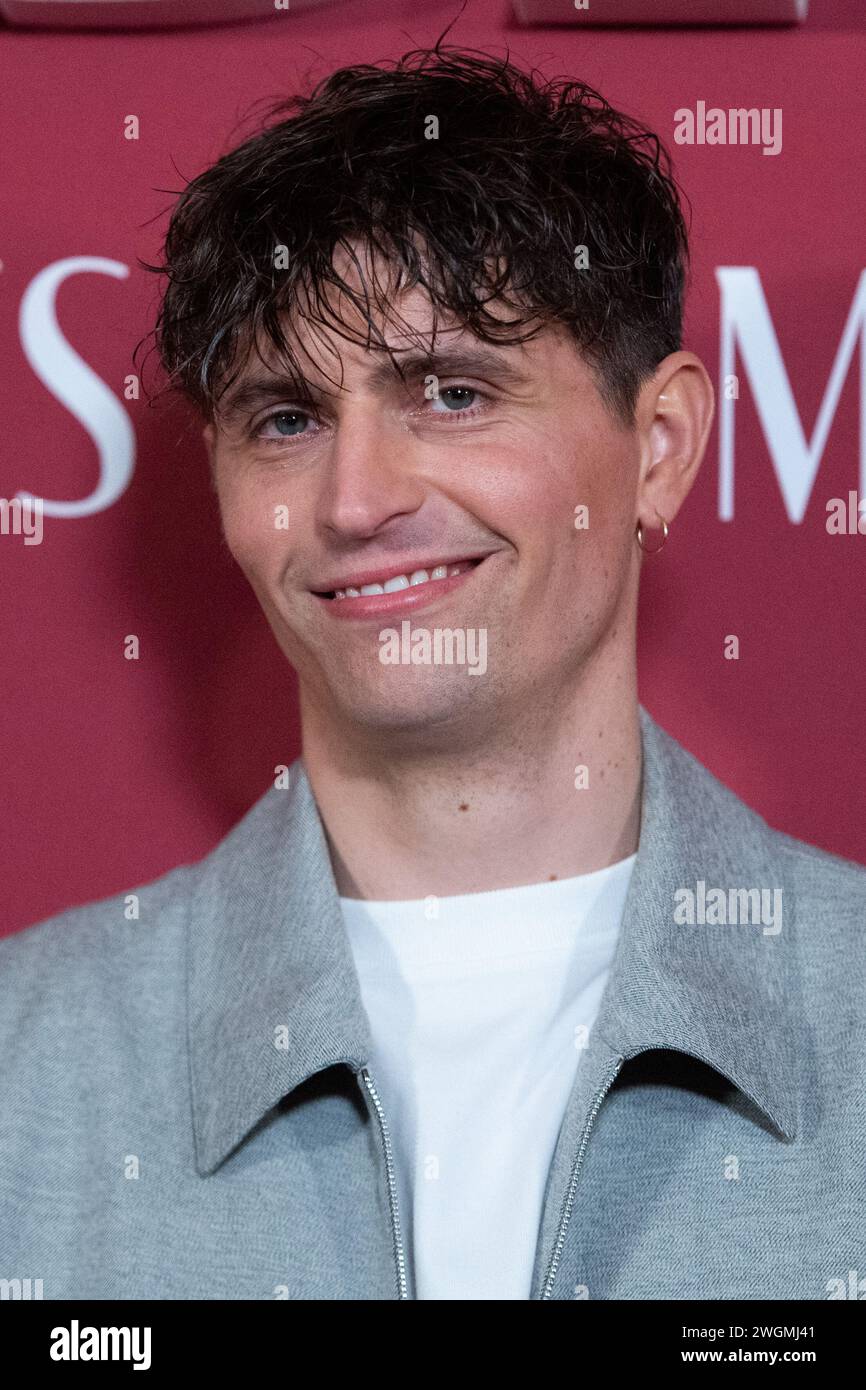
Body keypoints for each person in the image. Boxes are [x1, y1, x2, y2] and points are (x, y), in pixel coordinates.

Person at [1, 45, 864, 1303]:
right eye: (285, 419)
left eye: (452, 393)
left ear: (661, 446)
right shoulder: (28, 1062)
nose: (355, 501)